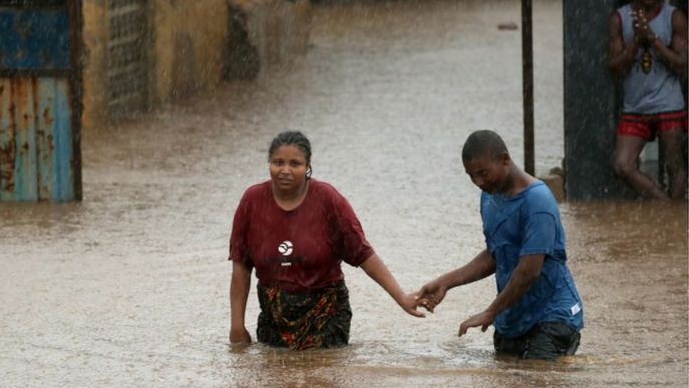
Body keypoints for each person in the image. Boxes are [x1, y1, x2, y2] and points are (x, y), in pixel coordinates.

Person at [228, 130, 424, 350]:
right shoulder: (252, 202)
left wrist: (401, 297)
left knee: (321, 377)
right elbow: (241, 268)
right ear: (269, 164)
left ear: (308, 167)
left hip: (326, 316)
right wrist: (237, 326)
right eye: (278, 162)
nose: (285, 170)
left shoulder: (328, 201)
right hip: (274, 319)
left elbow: (364, 255)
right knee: (275, 380)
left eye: (295, 164)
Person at [417, 130, 584, 360]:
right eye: (471, 176)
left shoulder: (538, 201)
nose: (478, 182)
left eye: (483, 173)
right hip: (513, 318)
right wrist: (446, 282)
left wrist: (490, 312)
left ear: (505, 160)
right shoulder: (489, 197)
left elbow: (529, 270)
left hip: (553, 317)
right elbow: (496, 253)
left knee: (540, 385)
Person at [608, 0, 688, 200]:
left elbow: (681, 64)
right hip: (635, 107)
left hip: (669, 105)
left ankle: (673, 220)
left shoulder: (674, 17)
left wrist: (652, 38)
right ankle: (667, 208)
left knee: (675, 164)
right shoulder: (620, 18)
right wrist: (636, 40)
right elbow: (615, 67)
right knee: (623, 165)